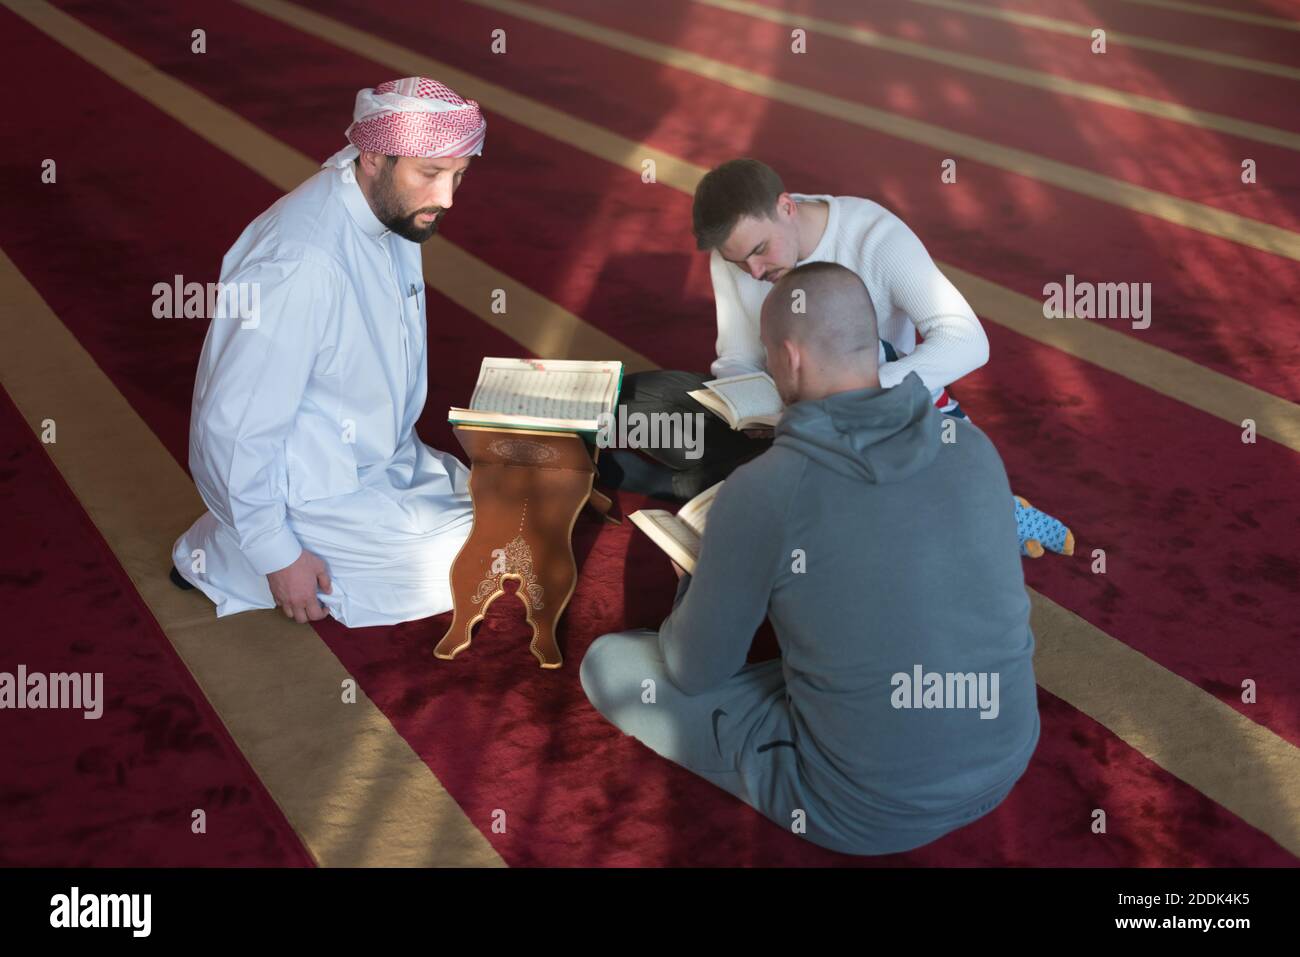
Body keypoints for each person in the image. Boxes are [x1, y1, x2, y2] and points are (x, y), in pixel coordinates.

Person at [581, 262, 1041, 856]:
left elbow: (696, 670)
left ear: (790, 359)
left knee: (611, 667)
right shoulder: (974, 445)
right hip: (1007, 756)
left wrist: (693, 585)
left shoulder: (769, 486)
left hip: (868, 808)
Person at [171, 77, 486, 627]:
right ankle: (242, 553)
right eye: (431, 174)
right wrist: (278, 554)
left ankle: (244, 534)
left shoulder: (387, 209)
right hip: (311, 491)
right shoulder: (303, 264)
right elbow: (234, 423)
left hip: (371, 460)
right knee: (474, 564)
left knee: (515, 515)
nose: (447, 198)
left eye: (458, 175)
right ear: (372, 158)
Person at [599, 157, 987, 503]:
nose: (754, 272)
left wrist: (854, 396)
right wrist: (748, 407)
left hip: (859, 420)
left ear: (786, 207)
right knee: (635, 398)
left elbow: (967, 341)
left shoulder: (875, 236)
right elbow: (737, 355)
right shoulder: (734, 253)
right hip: (777, 412)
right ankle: (738, 476)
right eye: (738, 263)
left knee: (828, 470)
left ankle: (691, 484)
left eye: (759, 250)